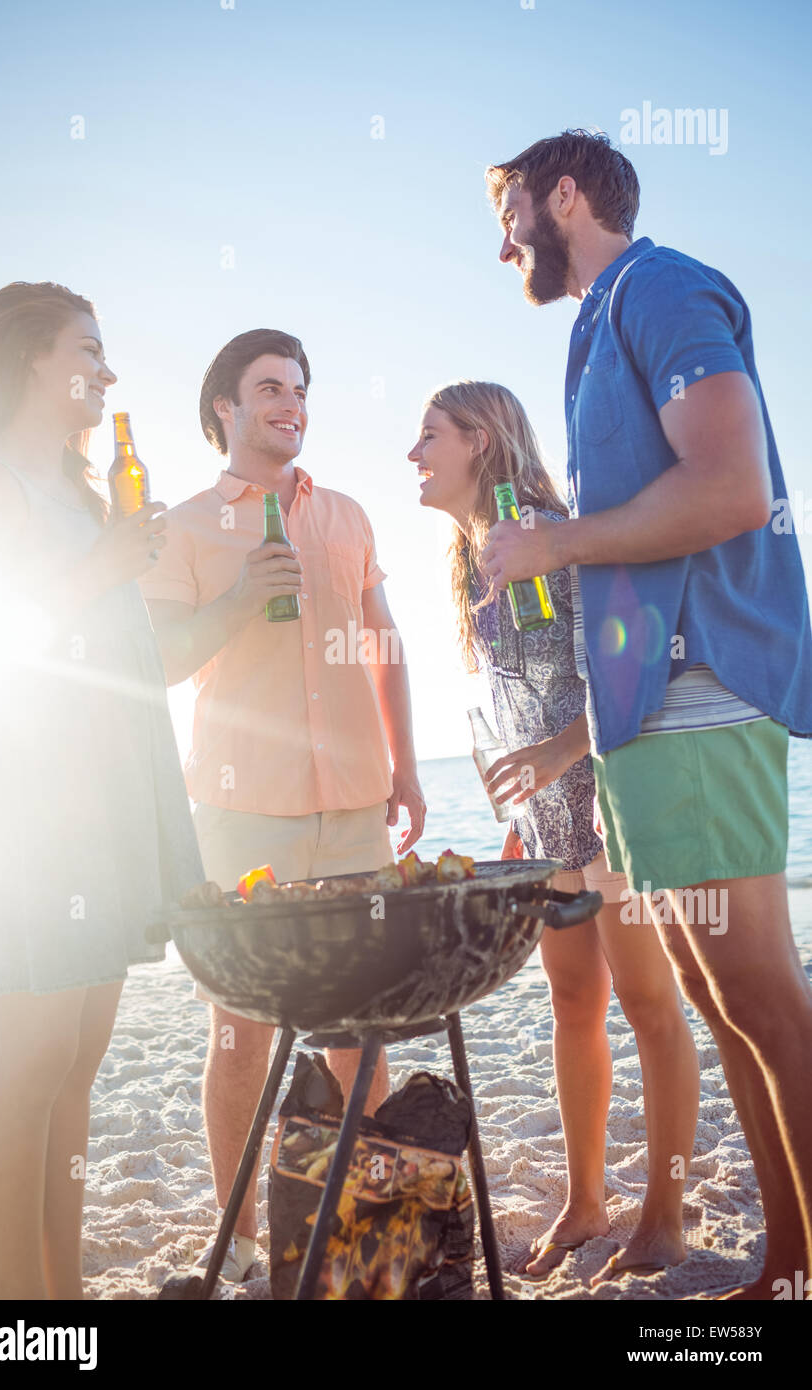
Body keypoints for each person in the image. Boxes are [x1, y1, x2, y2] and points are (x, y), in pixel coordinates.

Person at [483, 129, 812, 1297]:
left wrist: (550, 542)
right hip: (641, 710)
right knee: (729, 1010)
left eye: (511, 205)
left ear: (563, 193)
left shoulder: (657, 284)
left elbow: (731, 487)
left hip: (697, 687)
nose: (503, 232)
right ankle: (783, 1264)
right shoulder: (600, 320)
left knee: (765, 1004)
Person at [140, 328, 426, 1283]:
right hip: (240, 814)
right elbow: (158, 666)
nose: (290, 403)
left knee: (360, 1031)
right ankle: (246, 1242)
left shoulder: (344, 516)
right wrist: (233, 602)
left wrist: (409, 770)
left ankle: (358, 1228)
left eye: (299, 388)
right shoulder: (182, 527)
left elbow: (385, 645)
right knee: (240, 1033)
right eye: (269, 387)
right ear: (224, 406)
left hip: (353, 806)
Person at [408, 378, 699, 1281]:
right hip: (542, 824)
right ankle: (584, 1202)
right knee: (574, 1004)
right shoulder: (470, 557)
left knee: (651, 1006)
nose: (413, 456)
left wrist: (554, 759)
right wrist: (518, 812)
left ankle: (663, 1216)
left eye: (428, 436)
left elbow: (622, 669)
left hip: (609, 805)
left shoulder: (547, 537)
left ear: (482, 442)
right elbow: (508, 702)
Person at [0, 281, 204, 1300]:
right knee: (31, 1057)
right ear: (26, 360)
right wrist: (98, 570)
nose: (105, 371)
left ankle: (63, 1300)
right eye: (87, 350)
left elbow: (133, 652)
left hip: (109, 799)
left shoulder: (83, 496)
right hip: (28, 805)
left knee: (78, 1062)